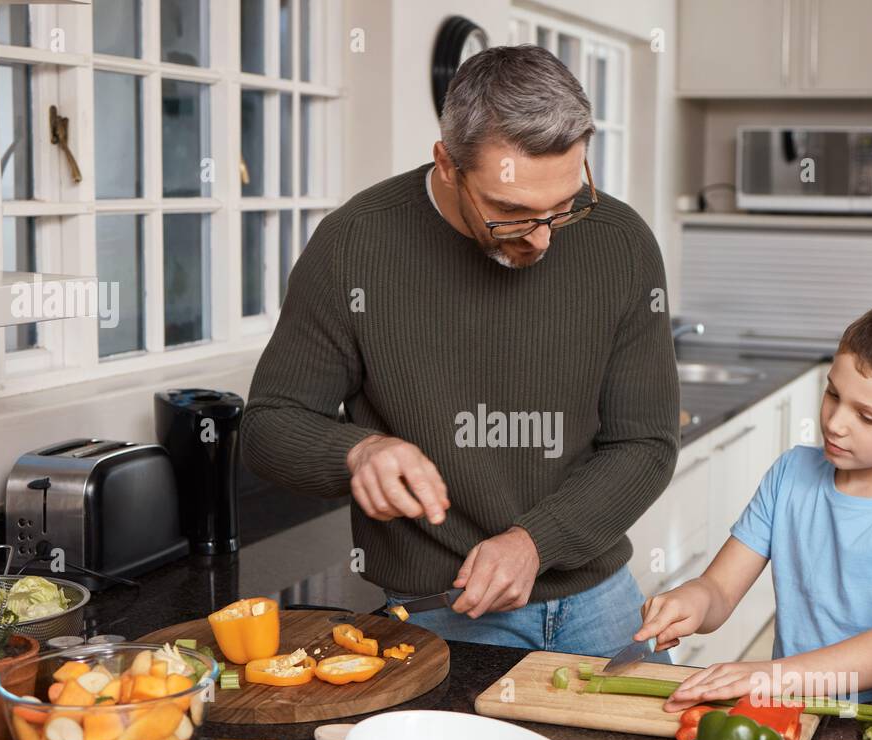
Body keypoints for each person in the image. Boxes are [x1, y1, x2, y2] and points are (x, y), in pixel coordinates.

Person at [241, 44, 679, 657]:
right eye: (512, 212)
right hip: (437, 614)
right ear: (447, 163)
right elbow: (268, 427)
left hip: (601, 602)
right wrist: (359, 451)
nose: (544, 240)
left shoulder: (621, 243)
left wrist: (535, 542)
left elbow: (646, 443)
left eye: (563, 207)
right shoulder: (354, 245)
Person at [634, 295, 872, 707]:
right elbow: (719, 591)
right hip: (797, 706)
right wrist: (690, 600)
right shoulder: (791, 474)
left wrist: (771, 675)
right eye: (833, 394)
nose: (835, 423)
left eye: (866, 417)